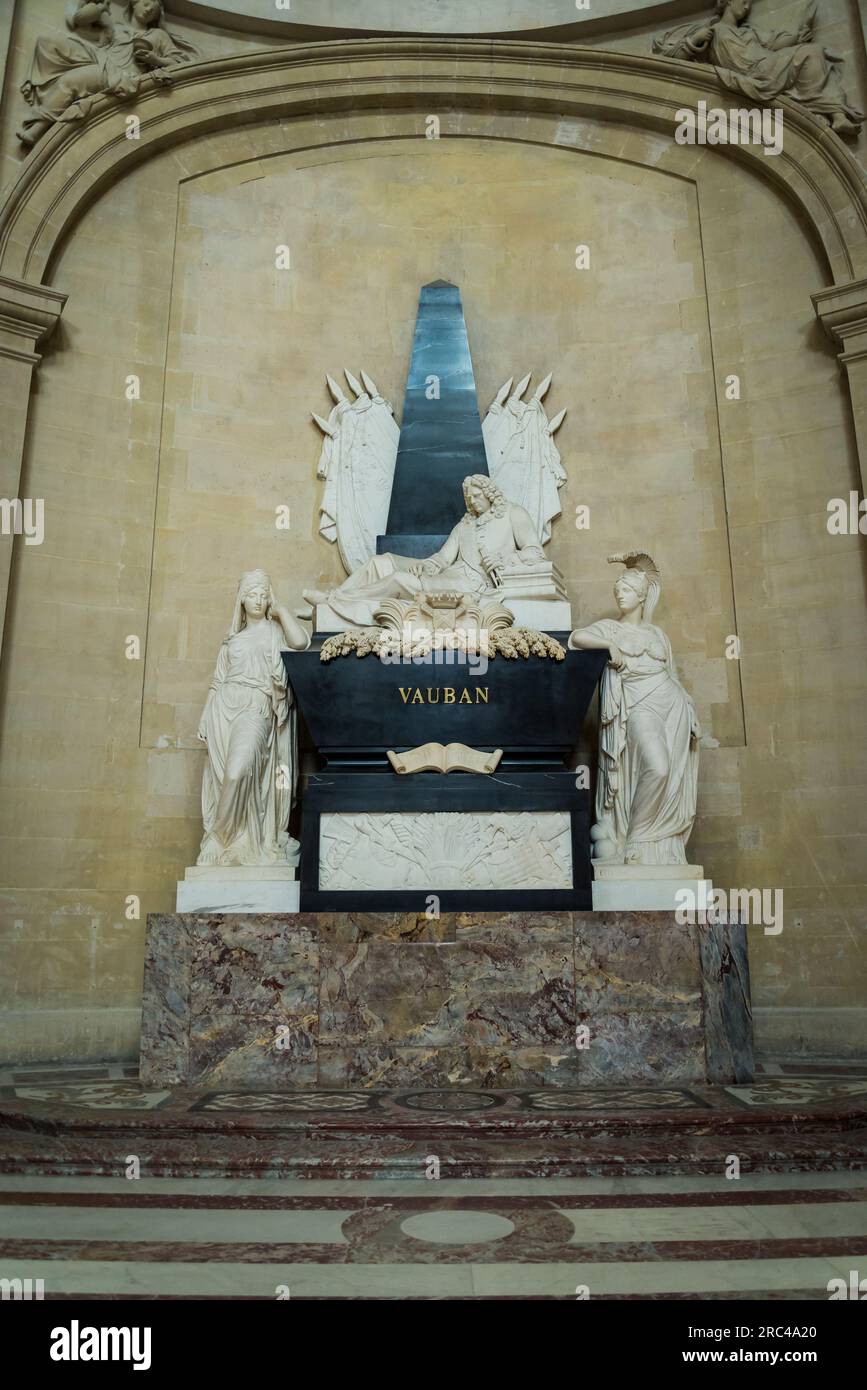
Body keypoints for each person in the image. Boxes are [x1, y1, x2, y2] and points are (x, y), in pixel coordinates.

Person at [568, 551, 701, 867]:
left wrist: (690, 707)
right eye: (618, 590)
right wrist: (608, 645)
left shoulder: (658, 635)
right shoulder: (609, 629)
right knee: (658, 767)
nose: (620, 595)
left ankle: (660, 848)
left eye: (626, 590)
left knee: (671, 775)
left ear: (641, 596)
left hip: (672, 705)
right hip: (638, 704)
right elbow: (576, 638)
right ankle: (636, 841)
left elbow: (672, 675)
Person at [303, 474, 545, 626]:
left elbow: (535, 553)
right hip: (448, 574)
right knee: (381, 561)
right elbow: (443, 558)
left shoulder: (513, 513)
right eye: (468, 498)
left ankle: (334, 602)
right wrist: (425, 566)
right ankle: (333, 600)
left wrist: (506, 560)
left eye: (476, 496)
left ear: (489, 493)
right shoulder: (465, 524)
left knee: (398, 580)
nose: (472, 502)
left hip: (470, 585)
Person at [196, 571, 309, 867]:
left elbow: (300, 642)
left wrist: (282, 611)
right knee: (224, 777)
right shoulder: (231, 640)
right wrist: (205, 716)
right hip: (223, 709)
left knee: (237, 772)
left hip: (256, 705)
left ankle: (220, 836)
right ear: (242, 600)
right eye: (252, 595)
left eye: (263, 595)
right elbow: (217, 682)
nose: (258, 600)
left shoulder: (275, 632)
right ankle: (232, 843)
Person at [653, 0, 862, 137]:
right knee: (810, 52)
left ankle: (836, 116)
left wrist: (798, 37)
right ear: (728, 1)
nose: (746, 7)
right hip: (754, 71)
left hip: (767, 65)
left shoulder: (748, 32)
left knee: (812, 51)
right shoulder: (712, 31)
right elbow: (669, 62)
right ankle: (833, 114)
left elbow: (774, 43)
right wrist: (693, 41)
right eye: (743, 1)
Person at [18, 0, 198, 146]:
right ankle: (40, 118)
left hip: (122, 76)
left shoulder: (158, 35)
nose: (149, 9)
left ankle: (37, 129)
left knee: (70, 81)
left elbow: (179, 63)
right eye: (146, 4)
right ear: (134, 3)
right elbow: (79, 23)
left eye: (154, 10)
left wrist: (155, 59)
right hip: (100, 61)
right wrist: (99, 8)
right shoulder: (116, 27)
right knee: (47, 41)